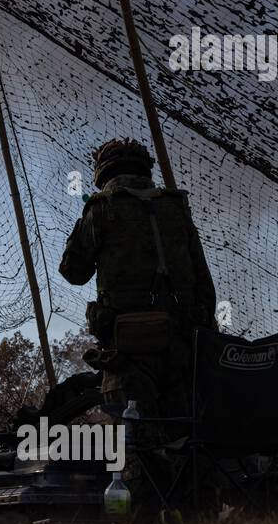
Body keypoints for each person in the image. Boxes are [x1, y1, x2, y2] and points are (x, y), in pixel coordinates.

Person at [59, 138, 218, 422]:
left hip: (129, 352)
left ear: (103, 173)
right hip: (182, 348)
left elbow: (73, 272)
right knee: (187, 444)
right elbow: (203, 282)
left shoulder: (101, 208)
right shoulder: (176, 206)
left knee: (136, 446)